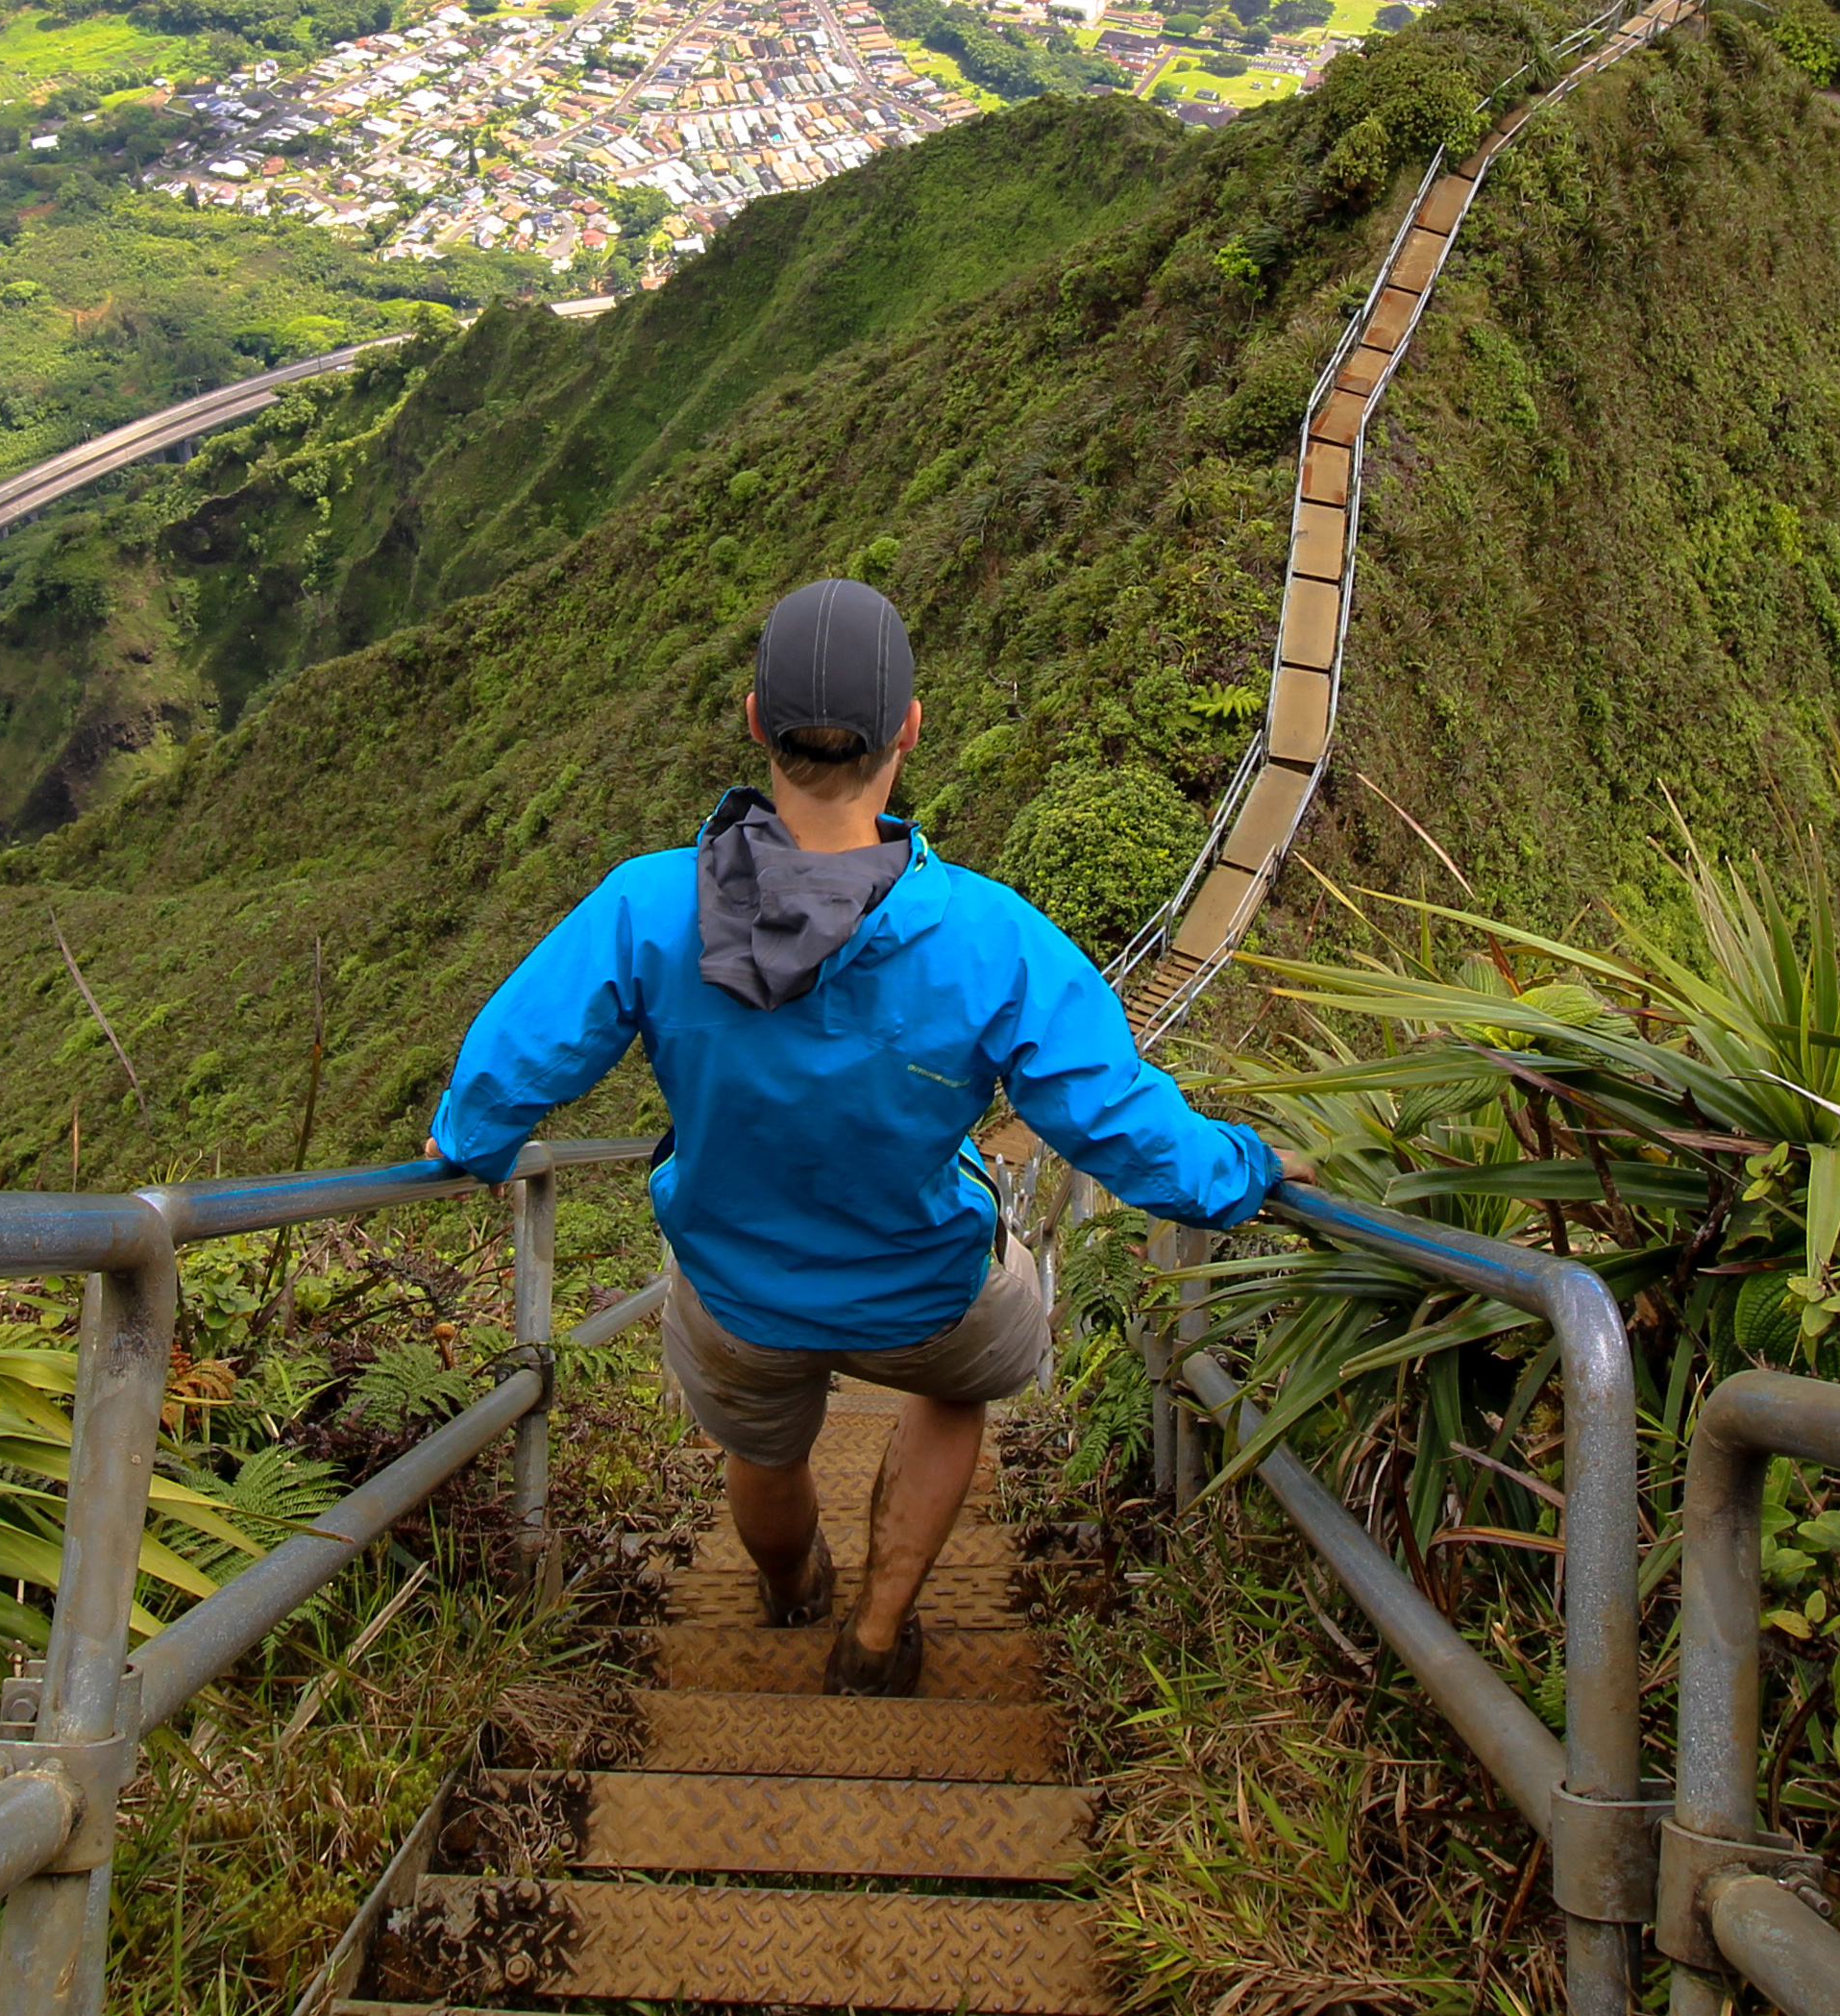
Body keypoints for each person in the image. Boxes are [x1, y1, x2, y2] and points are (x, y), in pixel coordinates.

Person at [431, 578, 1288, 1694]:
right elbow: (1119, 1125)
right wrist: (1251, 1171)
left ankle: (794, 1590)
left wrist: (473, 1145)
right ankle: (881, 1633)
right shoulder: (992, 937)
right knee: (961, 1380)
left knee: (764, 1445)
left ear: (755, 721)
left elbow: (521, 1053)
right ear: (910, 732)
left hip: (739, 1290)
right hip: (925, 1291)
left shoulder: (647, 907)